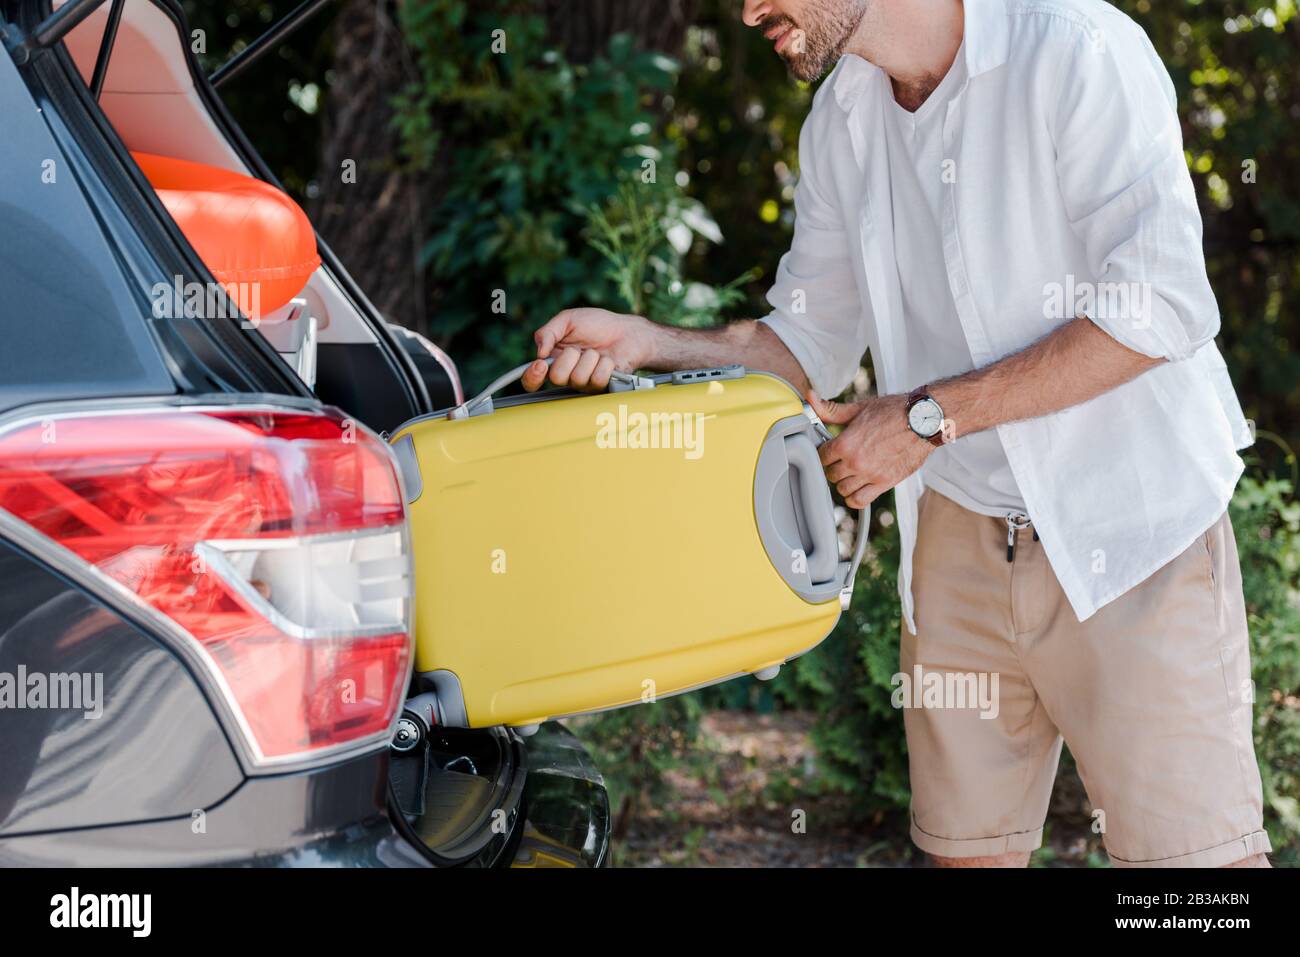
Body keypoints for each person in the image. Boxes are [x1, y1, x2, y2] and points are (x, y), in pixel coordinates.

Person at [522, 0, 1268, 868]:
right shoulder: (843, 117)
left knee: (1193, 885)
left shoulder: (1077, 47)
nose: (748, 8)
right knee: (963, 856)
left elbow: (1161, 303)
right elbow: (804, 345)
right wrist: (652, 343)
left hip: (1132, 530)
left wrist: (925, 418)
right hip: (957, 537)